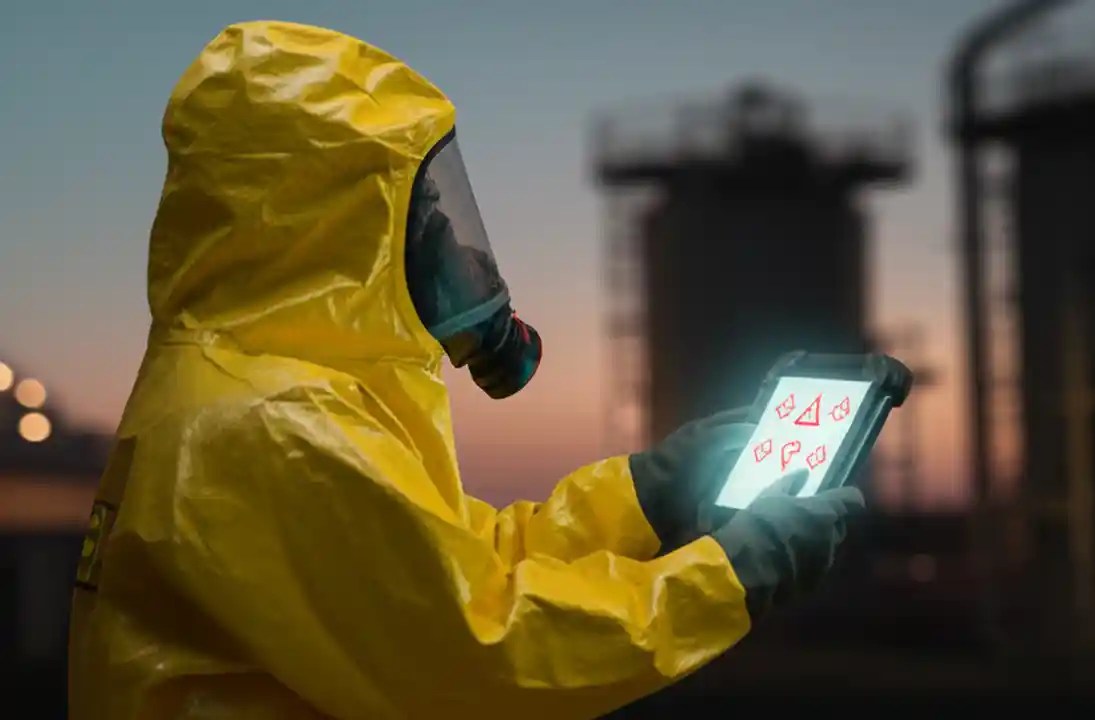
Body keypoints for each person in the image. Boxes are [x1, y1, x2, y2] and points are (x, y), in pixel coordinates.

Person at [67, 21, 867, 720]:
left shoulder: (240, 383)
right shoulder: (272, 425)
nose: (451, 241)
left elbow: (443, 573)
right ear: (329, 223)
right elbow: (480, 652)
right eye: (423, 210)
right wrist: (727, 576)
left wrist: (645, 494)